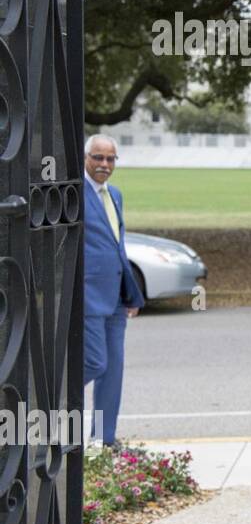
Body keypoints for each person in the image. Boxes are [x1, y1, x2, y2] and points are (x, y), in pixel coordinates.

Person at [82, 134, 145, 450]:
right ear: (85, 158)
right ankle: (46, 401)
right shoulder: (74, 193)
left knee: (113, 372)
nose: (104, 165)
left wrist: (131, 293)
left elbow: (117, 248)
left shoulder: (115, 194)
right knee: (94, 363)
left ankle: (104, 439)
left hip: (117, 299)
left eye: (110, 159)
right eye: (98, 157)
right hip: (87, 297)